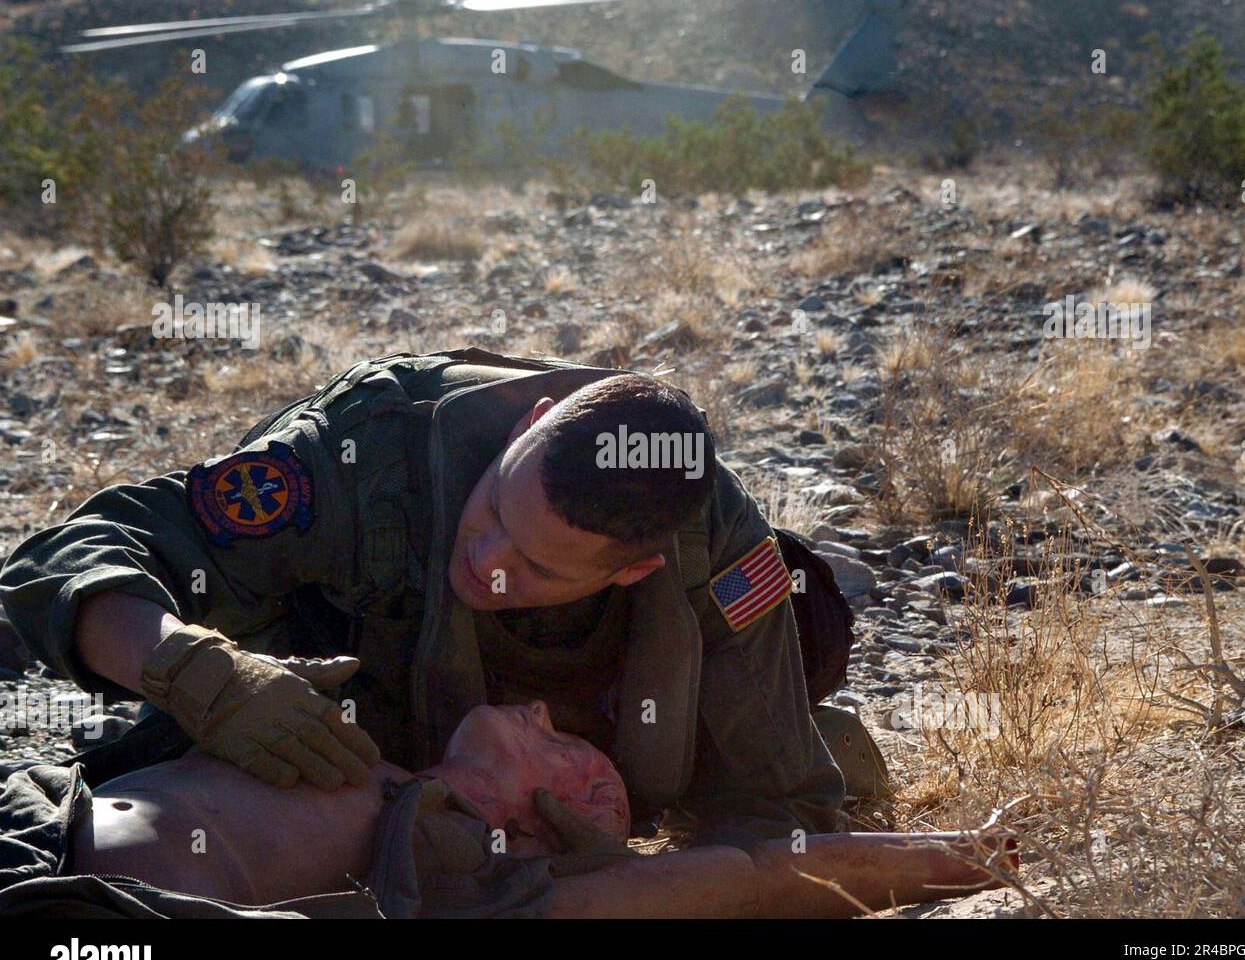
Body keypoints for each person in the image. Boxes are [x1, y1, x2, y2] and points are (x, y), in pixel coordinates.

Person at [0, 349, 846, 851]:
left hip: (537, 753)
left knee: (802, 688)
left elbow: (783, 813)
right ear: (530, 423)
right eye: (493, 513)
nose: (485, 563)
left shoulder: (714, 546)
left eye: (535, 568)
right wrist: (198, 673)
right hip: (312, 735)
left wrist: (627, 877)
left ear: (631, 572)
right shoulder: (365, 457)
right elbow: (67, 554)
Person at [73, 700, 630, 907]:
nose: (540, 710)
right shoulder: (370, 761)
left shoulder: (453, 847)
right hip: (49, 824)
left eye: (559, 745)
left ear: (545, 824)